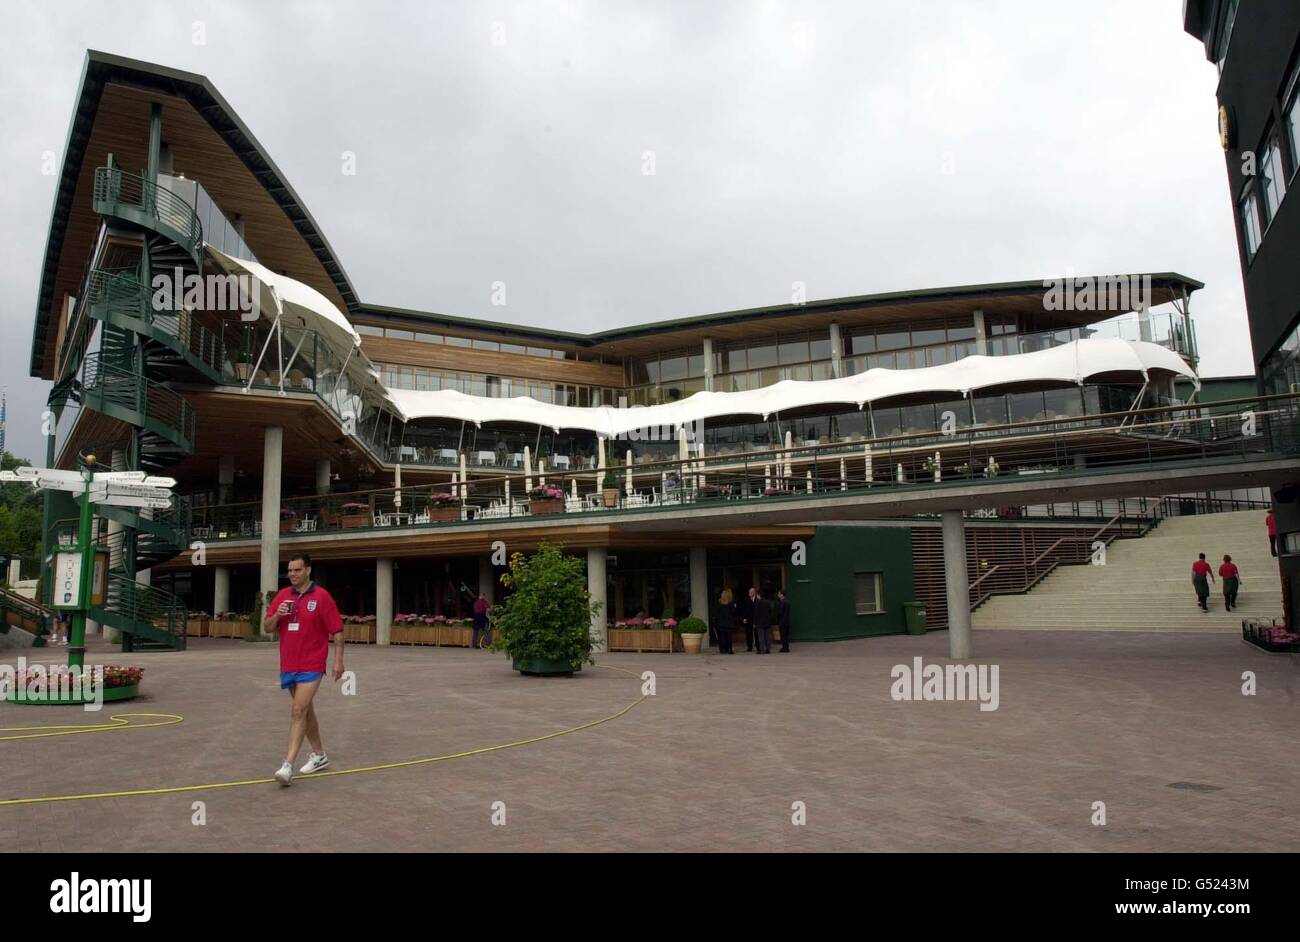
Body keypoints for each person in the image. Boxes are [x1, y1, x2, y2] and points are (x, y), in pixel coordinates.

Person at [264, 553, 344, 787]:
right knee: (306, 711)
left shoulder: (322, 597)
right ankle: (319, 755)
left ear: (308, 570)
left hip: (312, 663)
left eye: (297, 570)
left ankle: (287, 766)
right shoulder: (282, 596)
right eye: (289, 570)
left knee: (298, 710)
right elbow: (268, 627)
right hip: (289, 664)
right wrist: (278, 614)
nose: (292, 574)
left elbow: (337, 631)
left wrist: (338, 661)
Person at [715, 588, 736, 654]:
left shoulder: (719, 602)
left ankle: (723, 649)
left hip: (721, 623)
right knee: (729, 636)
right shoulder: (731, 603)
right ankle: (729, 649)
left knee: (722, 637)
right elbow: (733, 612)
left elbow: (716, 612)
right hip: (729, 623)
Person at [752, 589, 772, 654]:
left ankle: (762, 650)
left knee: (761, 637)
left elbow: (756, 613)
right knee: (767, 636)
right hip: (767, 621)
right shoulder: (768, 602)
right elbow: (770, 611)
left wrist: (754, 622)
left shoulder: (758, 603)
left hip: (760, 622)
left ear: (758, 595)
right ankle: (768, 649)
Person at [740, 587, 757, 652]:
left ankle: (758, 646)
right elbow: (744, 609)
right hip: (748, 619)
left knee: (756, 633)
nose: (749, 594)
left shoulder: (757, 600)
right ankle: (749, 647)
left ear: (754, 593)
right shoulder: (746, 600)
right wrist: (744, 618)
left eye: (751, 592)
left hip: (755, 619)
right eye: (749, 592)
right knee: (748, 634)